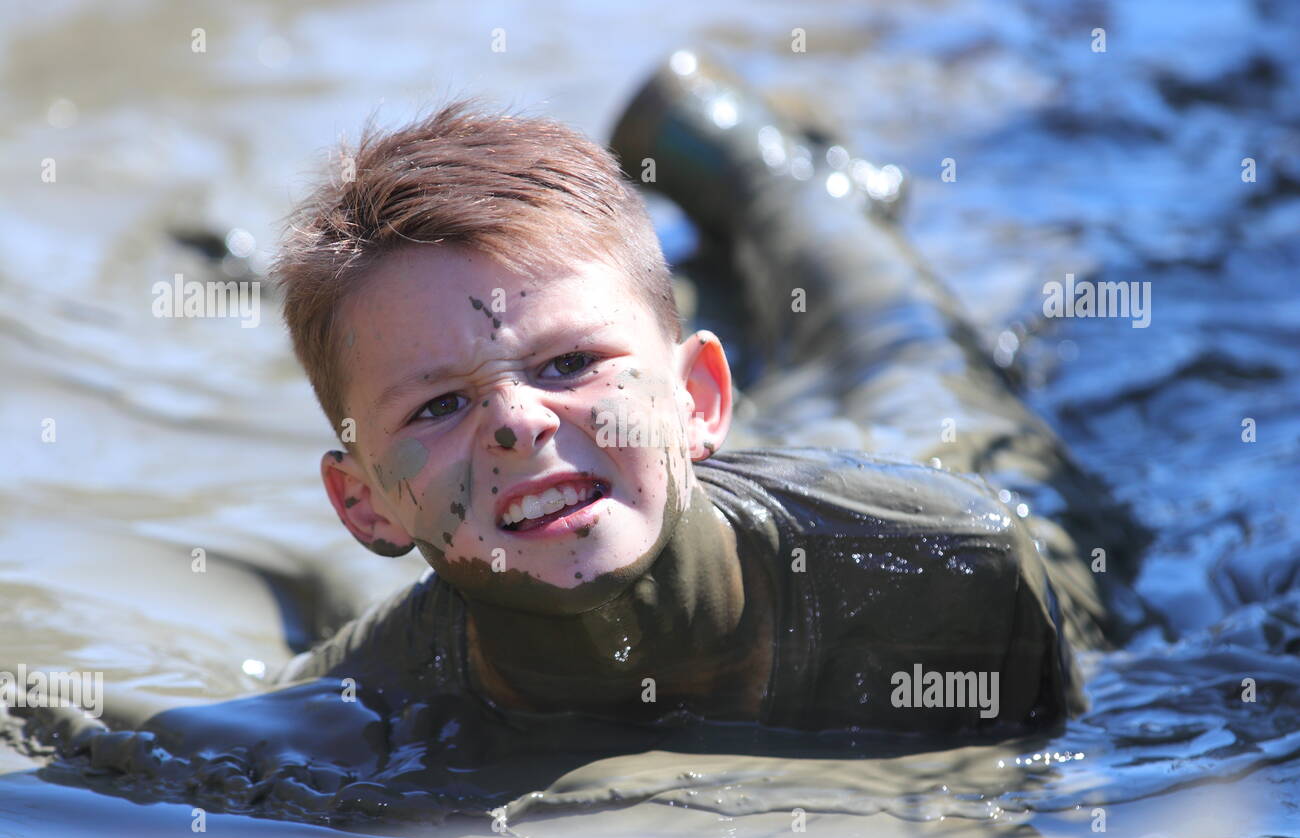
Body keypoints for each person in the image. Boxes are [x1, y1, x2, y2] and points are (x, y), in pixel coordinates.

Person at [269, 71, 1101, 742]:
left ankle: (770, 176)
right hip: (648, 457)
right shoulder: (358, 705)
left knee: (892, 336)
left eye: (569, 361)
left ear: (700, 398)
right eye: (439, 404)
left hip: (920, 451)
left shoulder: (950, 572)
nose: (517, 422)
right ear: (363, 503)